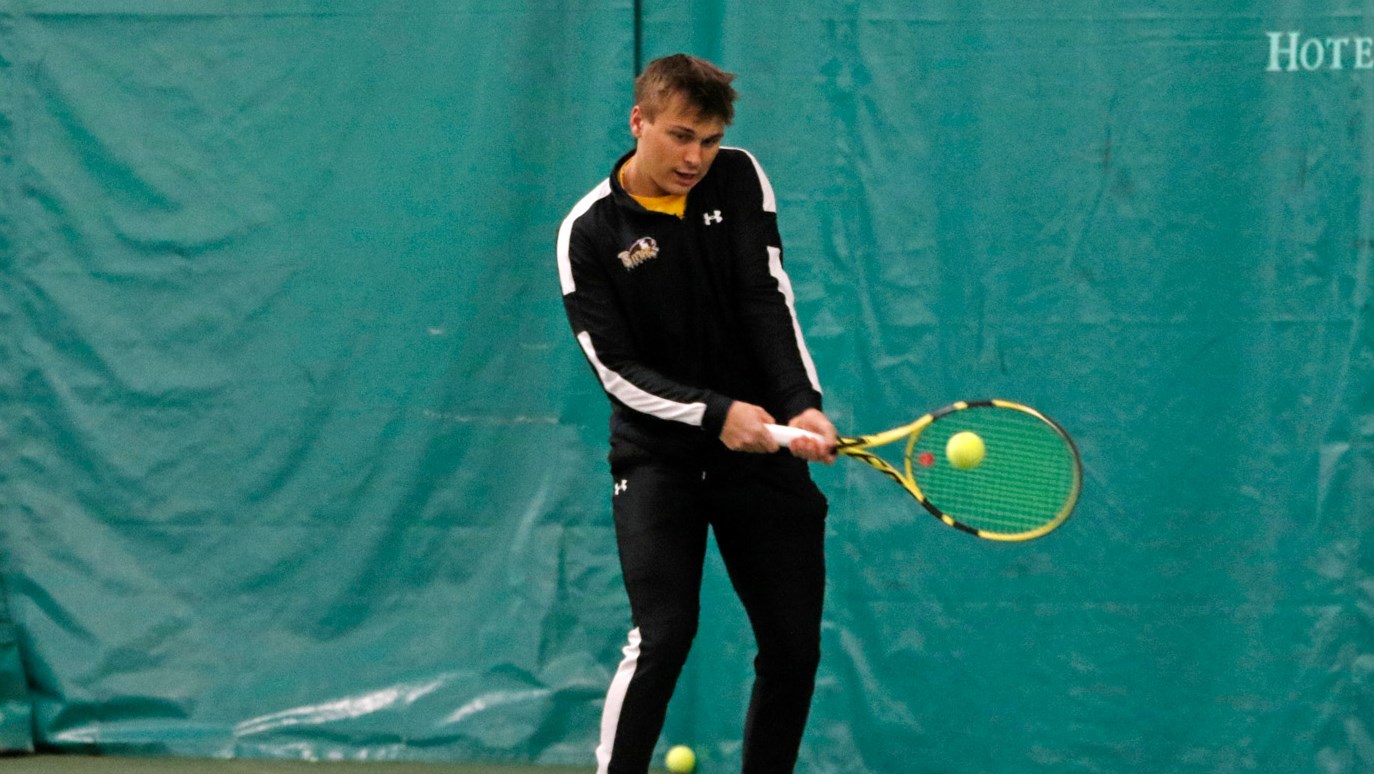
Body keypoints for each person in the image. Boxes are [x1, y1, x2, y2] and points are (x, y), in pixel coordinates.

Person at [556, 53, 837, 774]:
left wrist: (801, 406)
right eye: (681, 136)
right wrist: (715, 415)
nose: (695, 157)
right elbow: (616, 371)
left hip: (760, 448)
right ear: (638, 122)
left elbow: (765, 298)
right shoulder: (588, 234)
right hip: (659, 459)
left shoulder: (739, 178)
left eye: (709, 140)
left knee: (793, 645)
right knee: (665, 634)